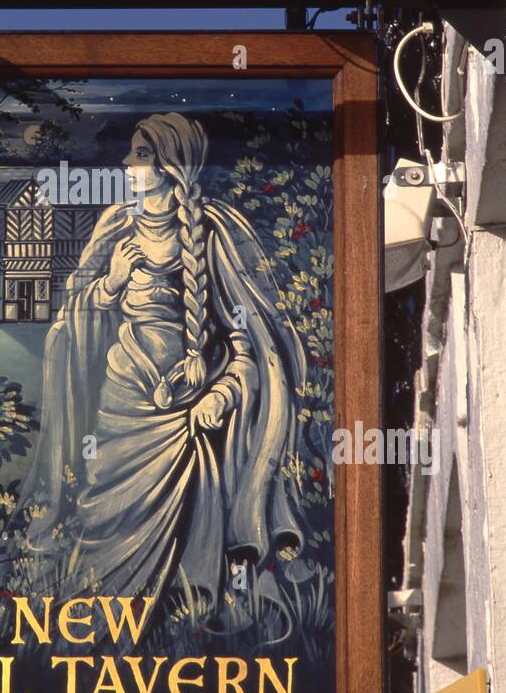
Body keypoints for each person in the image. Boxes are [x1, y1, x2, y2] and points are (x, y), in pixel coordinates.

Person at [16, 112, 306, 622]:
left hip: (184, 411)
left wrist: (222, 394)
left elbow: (246, 338)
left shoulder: (212, 233)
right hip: (120, 401)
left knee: (194, 511)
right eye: (131, 154)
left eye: (142, 155)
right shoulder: (116, 227)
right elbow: (73, 320)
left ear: (172, 165)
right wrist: (112, 282)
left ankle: (182, 616)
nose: (128, 165)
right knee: (103, 510)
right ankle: (92, 624)